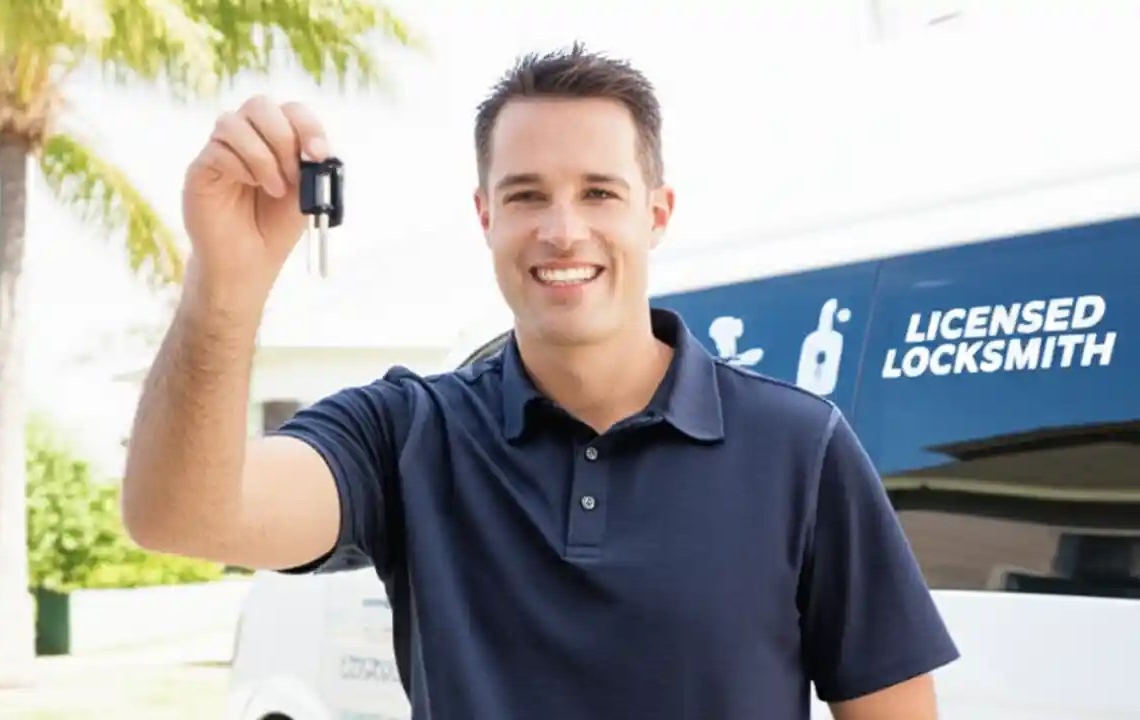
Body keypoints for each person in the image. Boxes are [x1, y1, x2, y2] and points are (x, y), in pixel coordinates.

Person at [122, 43, 960, 719]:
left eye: (599, 193)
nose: (563, 231)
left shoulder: (800, 449)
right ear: (485, 216)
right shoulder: (409, 435)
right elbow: (182, 514)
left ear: (656, 214)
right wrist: (224, 285)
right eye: (527, 196)